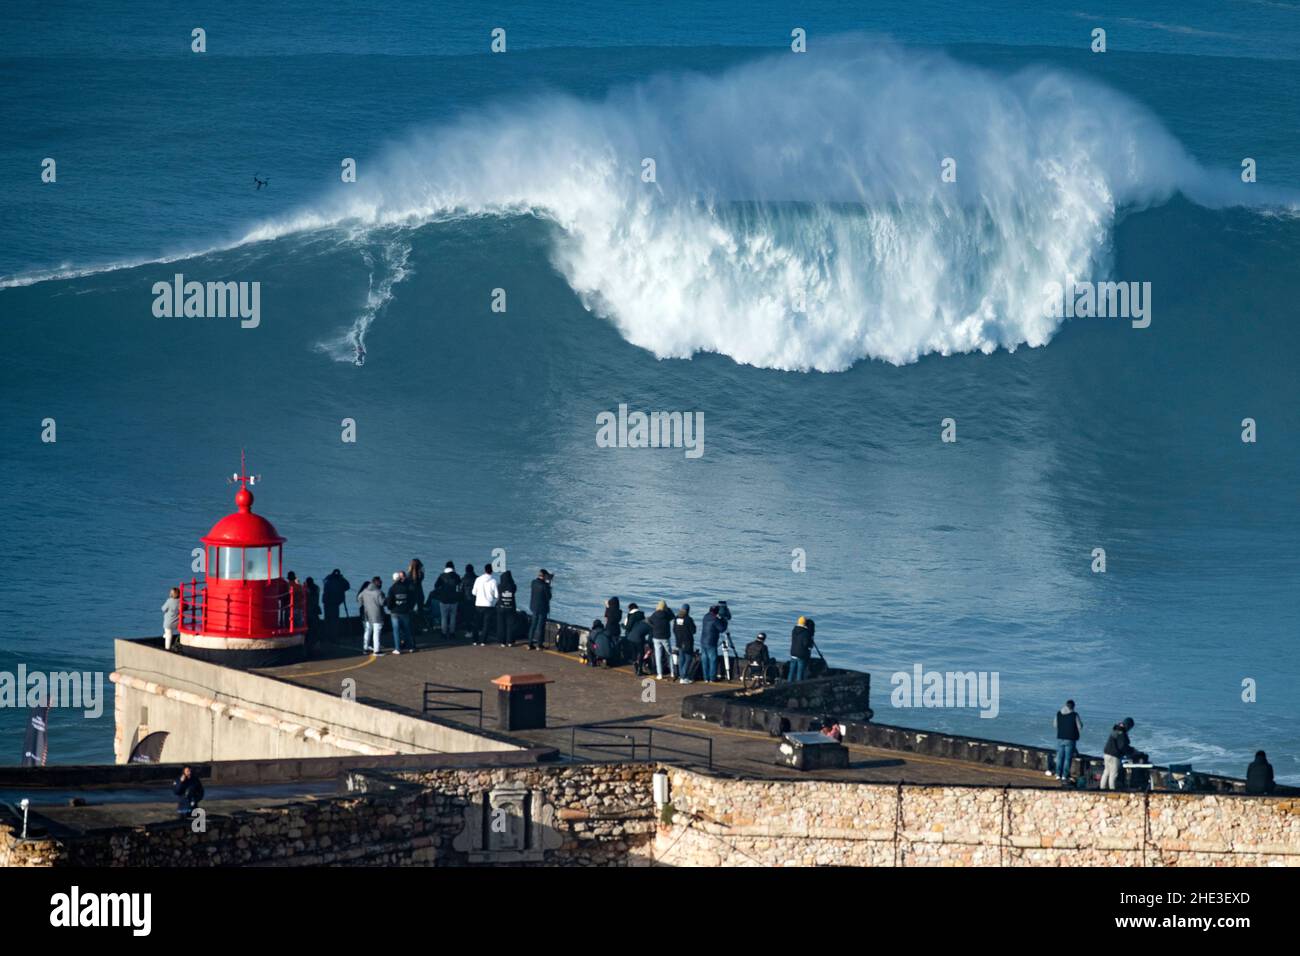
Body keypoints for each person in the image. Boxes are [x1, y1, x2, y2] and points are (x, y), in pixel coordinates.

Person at [1101, 717, 1137, 790]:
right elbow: (1122, 746)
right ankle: (1112, 790)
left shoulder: (1116, 729)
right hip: (1114, 755)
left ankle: (1102, 788)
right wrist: (1132, 751)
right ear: (1128, 726)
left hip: (1106, 753)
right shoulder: (1121, 732)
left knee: (1106, 772)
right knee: (1113, 774)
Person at [385, 571, 415, 654]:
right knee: (407, 629)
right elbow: (410, 599)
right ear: (400, 578)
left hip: (395, 612)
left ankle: (398, 649)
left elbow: (389, 601)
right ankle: (411, 647)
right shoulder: (406, 588)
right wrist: (408, 607)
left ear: (393, 579)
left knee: (396, 630)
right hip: (405, 611)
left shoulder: (392, 589)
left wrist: (390, 608)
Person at [1054, 700, 1083, 784]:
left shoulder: (1058, 713)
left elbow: (1055, 725)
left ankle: (1057, 774)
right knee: (1067, 758)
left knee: (1059, 757)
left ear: (1065, 705)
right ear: (1073, 707)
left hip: (1060, 737)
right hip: (1070, 739)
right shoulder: (1074, 715)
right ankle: (1064, 775)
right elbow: (1080, 726)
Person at [471, 564, 499, 646]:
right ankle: (483, 641)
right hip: (488, 605)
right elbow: (497, 595)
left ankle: (475, 640)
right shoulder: (493, 581)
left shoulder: (478, 579)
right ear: (492, 570)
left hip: (478, 604)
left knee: (476, 623)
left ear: (484, 570)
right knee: (486, 624)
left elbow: (473, 592)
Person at [432, 561, 462, 638]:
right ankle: (452, 633)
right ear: (453, 567)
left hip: (443, 600)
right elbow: (460, 587)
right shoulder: (457, 576)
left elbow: (436, 586)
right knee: (453, 617)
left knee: (444, 617)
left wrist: (441, 592)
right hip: (454, 600)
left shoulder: (442, 576)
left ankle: (444, 633)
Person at [359, 576, 385, 656]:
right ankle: (376, 650)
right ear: (378, 583)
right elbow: (382, 603)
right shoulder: (379, 592)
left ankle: (365, 648)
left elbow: (359, 598)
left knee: (367, 631)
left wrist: (364, 604)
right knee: (376, 632)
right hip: (377, 615)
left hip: (367, 615)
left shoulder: (365, 591)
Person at [699, 605, 725, 685]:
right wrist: (724, 620)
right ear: (716, 612)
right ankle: (712, 678)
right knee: (713, 660)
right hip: (711, 642)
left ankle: (706, 678)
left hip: (703, 641)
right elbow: (722, 629)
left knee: (704, 660)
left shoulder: (705, 616)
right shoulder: (715, 619)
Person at [649, 600, 674, 680]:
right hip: (665, 637)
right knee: (669, 654)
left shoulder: (654, 614)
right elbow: (673, 616)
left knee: (658, 656)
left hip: (656, 637)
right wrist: (668, 609)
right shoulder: (667, 615)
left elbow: (649, 620)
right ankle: (672, 672)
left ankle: (659, 674)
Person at [528, 569, 552, 650]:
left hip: (534, 607)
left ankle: (530, 643)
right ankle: (539, 644)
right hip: (542, 608)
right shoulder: (544, 586)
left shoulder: (533, 582)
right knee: (540, 627)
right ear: (544, 576)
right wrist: (548, 585)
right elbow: (549, 597)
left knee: (533, 625)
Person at [322, 569, 350, 635]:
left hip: (327, 602)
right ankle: (333, 636)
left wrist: (330, 576)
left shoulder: (328, 580)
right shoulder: (340, 581)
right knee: (334, 620)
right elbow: (347, 586)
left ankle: (326, 635)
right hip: (335, 603)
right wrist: (342, 578)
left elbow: (324, 581)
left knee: (327, 619)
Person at [673, 604, 696, 684]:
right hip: (687, 642)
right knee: (688, 658)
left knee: (681, 659)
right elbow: (693, 631)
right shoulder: (688, 619)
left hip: (679, 642)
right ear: (688, 610)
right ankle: (683, 676)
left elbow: (674, 630)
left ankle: (682, 676)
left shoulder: (676, 618)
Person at [624, 611, 652, 677]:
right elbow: (650, 637)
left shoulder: (639, 622)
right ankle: (640, 671)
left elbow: (639, 632)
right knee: (641, 653)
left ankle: (636, 669)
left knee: (634, 653)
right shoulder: (649, 626)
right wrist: (649, 644)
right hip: (637, 639)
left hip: (630, 637)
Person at [788, 616, 815, 683]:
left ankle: (788, 683)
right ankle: (799, 685)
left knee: (791, 671)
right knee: (800, 672)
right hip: (801, 654)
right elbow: (806, 644)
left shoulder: (794, 630)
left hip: (793, 653)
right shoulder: (806, 633)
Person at [497, 570, 518, 646]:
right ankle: (510, 641)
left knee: (501, 625)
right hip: (510, 607)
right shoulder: (513, 586)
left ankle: (502, 642)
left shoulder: (500, 586)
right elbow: (515, 589)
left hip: (501, 607)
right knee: (510, 625)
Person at [407, 558, 427, 630]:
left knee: (410, 610)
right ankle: (419, 626)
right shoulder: (420, 575)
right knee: (420, 610)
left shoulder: (409, 575)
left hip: (411, 594)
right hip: (419, 593)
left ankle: (410, 626)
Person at [460, 564, 478, 641]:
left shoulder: (463, 579)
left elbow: (461, 590)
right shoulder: (477, 578)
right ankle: (478, 630)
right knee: (476, 616)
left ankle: (469, 631)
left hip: (466, 600)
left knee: (468, 616)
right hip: (476, 600)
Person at [161, 587, 181, 651]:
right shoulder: (180, 601)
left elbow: (163, 609)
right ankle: (165, 635)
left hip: (168, 623)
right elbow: (186, 607)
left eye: (171, 592)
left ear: (172, 594)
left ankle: (167, 649)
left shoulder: (169, 601)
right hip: (176, 622)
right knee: (169, 634)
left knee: (168, 636)